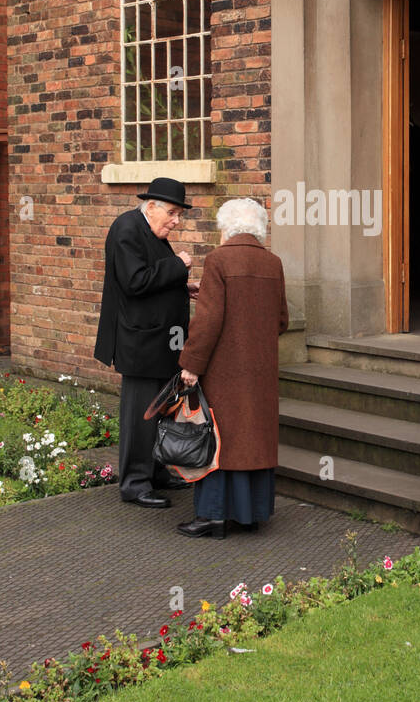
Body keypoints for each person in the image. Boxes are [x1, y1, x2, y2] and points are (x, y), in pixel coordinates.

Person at [176, 197, 288, 539]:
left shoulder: (218, 260)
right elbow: (281, 320)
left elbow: (208, 321)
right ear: (258, 229)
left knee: (219, 438)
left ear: (226, 228)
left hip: (225, 369)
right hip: (261, 370)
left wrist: (191, 365)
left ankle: (213, 516)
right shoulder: (273, 263)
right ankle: (250, 514)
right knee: (253, 438)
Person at [94, 177, 193, 508]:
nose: (176, 221)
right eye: (173, 213)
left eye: (179, 214)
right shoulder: (127, 229)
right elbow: (136, 282)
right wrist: (178, 265)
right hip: (140, 343)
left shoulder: (147, 229)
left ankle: (156, 472)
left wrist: (182, 286)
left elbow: (152, 277)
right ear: (151, 207)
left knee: (161, 410)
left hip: (160, 342)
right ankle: (135, 483)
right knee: (141, 415)